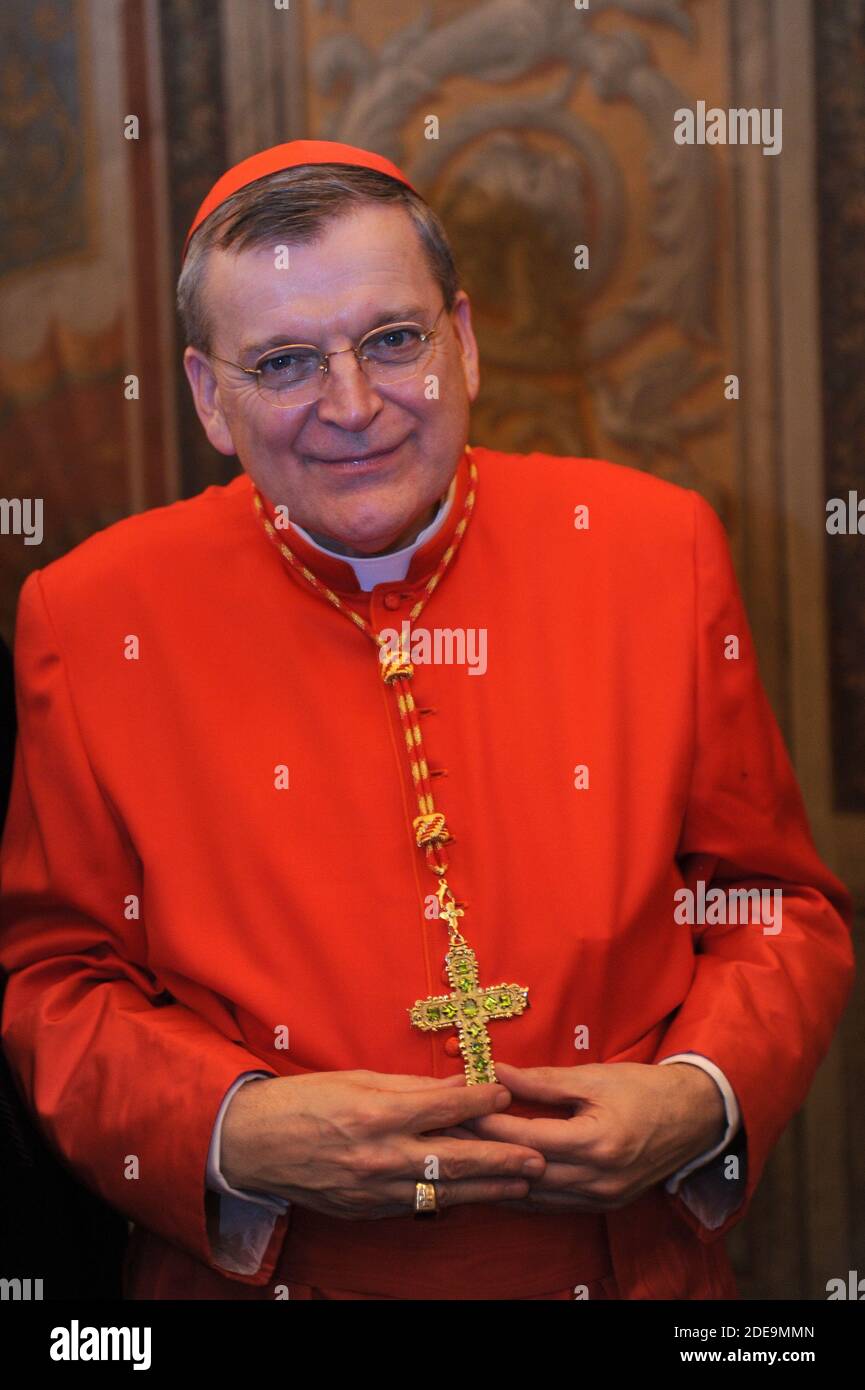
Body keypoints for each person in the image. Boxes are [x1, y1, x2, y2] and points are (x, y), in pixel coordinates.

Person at [0, 141, 853, 1301]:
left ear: (462, 338)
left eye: (393, 340)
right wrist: (231, 1129)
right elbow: (59, 979)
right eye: (286, 362)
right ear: (208, 395)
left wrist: (700, 1091)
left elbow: (776, 907)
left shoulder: (656, 549)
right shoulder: (92, 614)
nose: (352, 406)